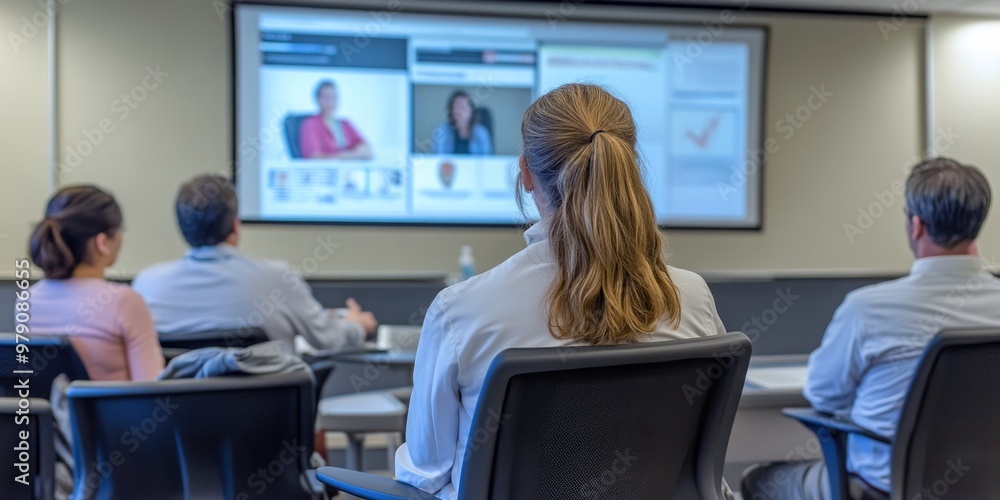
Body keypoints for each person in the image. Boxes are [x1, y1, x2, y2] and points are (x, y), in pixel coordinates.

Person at [395, 84, 728, 499]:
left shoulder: (462, 310)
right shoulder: (692, 298)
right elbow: (703, 468)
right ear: (629, 167)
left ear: (526, 173)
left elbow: (425, 475)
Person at [741, 157, 1000, 499]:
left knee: (759, 481)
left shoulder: (869, 308)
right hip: (985, 484)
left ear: (916, 225)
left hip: (882, 487)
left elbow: (823, 394)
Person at [132, 175, 377, 354]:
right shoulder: (278, 279)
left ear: (182, 228)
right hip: (269, 413)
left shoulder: (147, 286)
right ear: (235, 225)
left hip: (180, 412)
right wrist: (356, 325)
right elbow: (329, 339)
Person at [24, 185, 164, 381]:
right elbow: (151, 388)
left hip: (49, 403)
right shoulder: (126, 301)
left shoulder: (27, 301)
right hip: (118, 404)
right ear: (102, 242)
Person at [299, 80, 372, 160]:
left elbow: (366, 149)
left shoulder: (345, 124)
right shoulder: (310, 125)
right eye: (326, 97)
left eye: (333, 97)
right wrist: (347, 156)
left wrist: (348, 155)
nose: (330, 102)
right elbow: (313, 157)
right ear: (317, 99)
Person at [432, 90, 493, 155]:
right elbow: (437, 157)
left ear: (471, 111)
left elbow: (487, 158)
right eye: (457, 107)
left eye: (463, 107)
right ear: (451, 110)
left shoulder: (481, 132)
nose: (460, 111)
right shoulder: (442, 130)